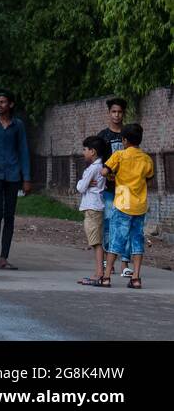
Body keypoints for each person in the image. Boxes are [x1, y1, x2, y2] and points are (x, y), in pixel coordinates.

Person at [0, 89, 32, 269]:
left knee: (9, 216)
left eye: (3, 102)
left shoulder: (18, 125)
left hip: (13, 175)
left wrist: (26, 178)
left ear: (10, 104)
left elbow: (23, 151)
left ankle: (4, 257)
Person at [101, 123, 155, 290]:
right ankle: (136, 278)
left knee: (116, 240)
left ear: (124, 140)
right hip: (139, 206)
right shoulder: (146, 159)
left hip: (122, 204)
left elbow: (104, 172)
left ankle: (106, 277)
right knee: (137, 241)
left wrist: (112, 175)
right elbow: (149, 177)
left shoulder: (119, 155)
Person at [97, 97, 133, 278]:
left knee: (125, 224)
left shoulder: (128, 135)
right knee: (109, 223)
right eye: (113, 112)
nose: (116, 115)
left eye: (119, 112)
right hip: (109, 187)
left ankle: (125, 263)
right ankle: (106, 262)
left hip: (126, 188)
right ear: (109, 113)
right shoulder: (103, 136)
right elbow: (98, 162)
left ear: (123, 113)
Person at [75, 135, 108, 287]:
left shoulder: (92, 169)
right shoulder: (101, 167)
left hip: (92, 207)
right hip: (96, 206)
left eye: (85, 149)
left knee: (96, 243)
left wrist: (83, 183)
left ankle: (99, 273)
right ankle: (99, 272)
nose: (83, 152)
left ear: (93, 152)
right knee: (96, 241)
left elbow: (80, 187)